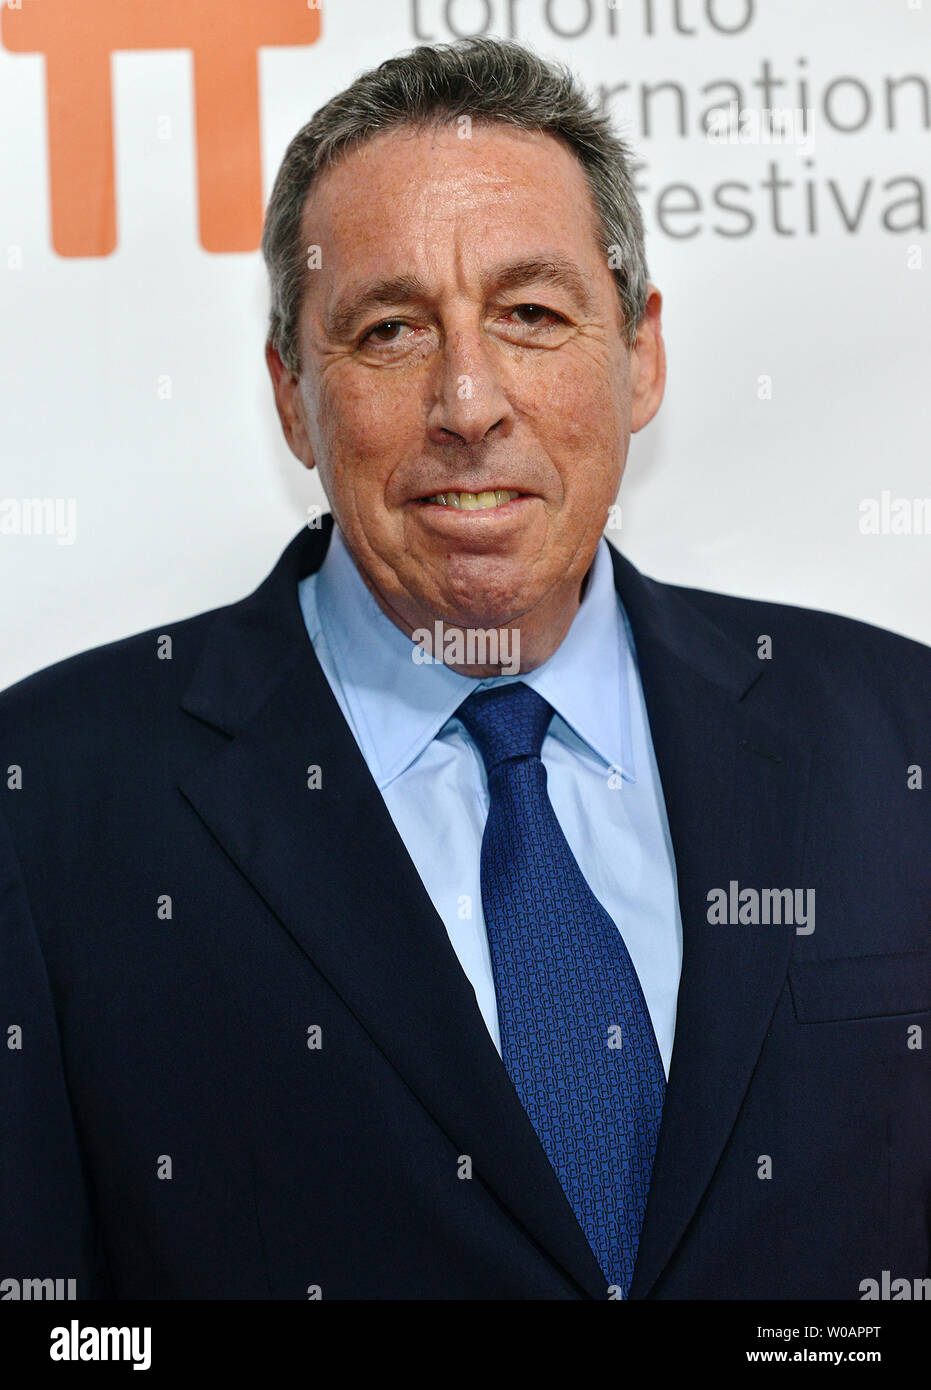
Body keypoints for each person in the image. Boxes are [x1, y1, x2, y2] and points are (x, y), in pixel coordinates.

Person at [1, 37, 928, 1301]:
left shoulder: (894, 735)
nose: (469, 400)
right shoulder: (47, 804)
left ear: (641, 355)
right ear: (292, 397)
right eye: (389, 329)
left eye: (531, 314)